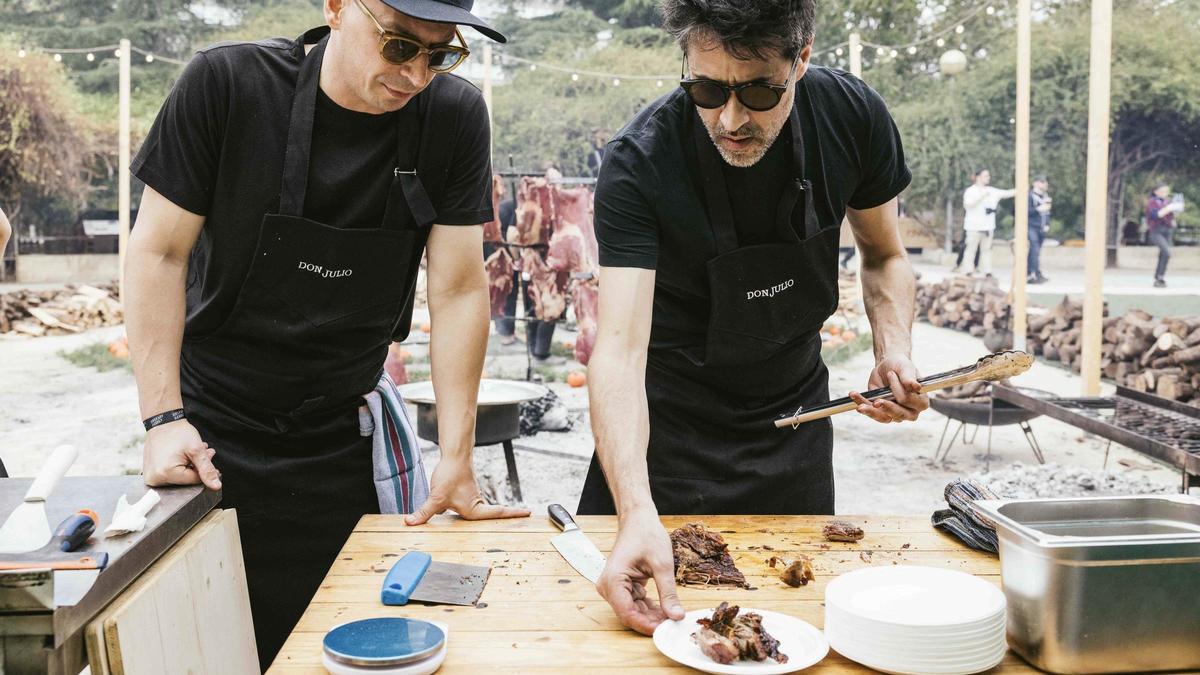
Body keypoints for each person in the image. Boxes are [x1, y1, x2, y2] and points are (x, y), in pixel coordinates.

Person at [123, 0, 528, 666]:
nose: (417, 75)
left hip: (347, 441)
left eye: (439, 53)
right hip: (211, 443)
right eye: (399, 46)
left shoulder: (453, 118)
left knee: (352, 648)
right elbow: (157, 253)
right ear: (336, 7)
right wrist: (162, 417)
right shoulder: (227, 88)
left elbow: (457, 288)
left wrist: (456, 456)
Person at [579, 0, 929, 635]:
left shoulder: (852, 117)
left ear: (802, 58)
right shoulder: (640, 162)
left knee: (791, 623)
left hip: (793, 423)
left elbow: (885, 255)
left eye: (760, 92)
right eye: (707, 90)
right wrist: (635, 509)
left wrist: (894, 349)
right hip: (669, 430)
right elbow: (619, 351)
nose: (731, 119)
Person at [960, 169, 1014, 276]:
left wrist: (1020, 189)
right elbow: (968, 205)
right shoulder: (971, 191)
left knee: (987, 250)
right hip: (974, 226)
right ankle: (968, 270)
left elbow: (1007, 193)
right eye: (986, 176)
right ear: (978, 177)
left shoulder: (992, 190)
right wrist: (981, 196)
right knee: (971, 249)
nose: (988, 178)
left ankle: (987, 271)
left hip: (988, 226)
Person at [1146, 182, 1181, 288]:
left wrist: (1175, 210)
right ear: (1156, 192)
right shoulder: (1152, 202)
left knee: (1164, 254)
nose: (1165, 193)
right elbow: (1156, 215)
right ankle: (1159, 277)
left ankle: (1159, 277)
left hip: (1167, 230)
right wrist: (1169, 208)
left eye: (1166, 191)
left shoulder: (1167, 201)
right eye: (1162, 191)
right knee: (1166, 251)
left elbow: (1172, 216)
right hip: (1156, 231)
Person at [1027, 175, 1051, 284]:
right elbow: (1026, 211)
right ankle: (1032, 273)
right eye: (1042, 181)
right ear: (1035, 183)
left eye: (1045, 182)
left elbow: (1047, 212)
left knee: (1036, 251)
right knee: (1034, 250)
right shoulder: (1030, 196)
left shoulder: (1045, 196)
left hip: (1041, 228)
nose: (1045, 184)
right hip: (1032, 226)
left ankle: (1035, 272)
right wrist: (1037, 209)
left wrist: (1047, 223)